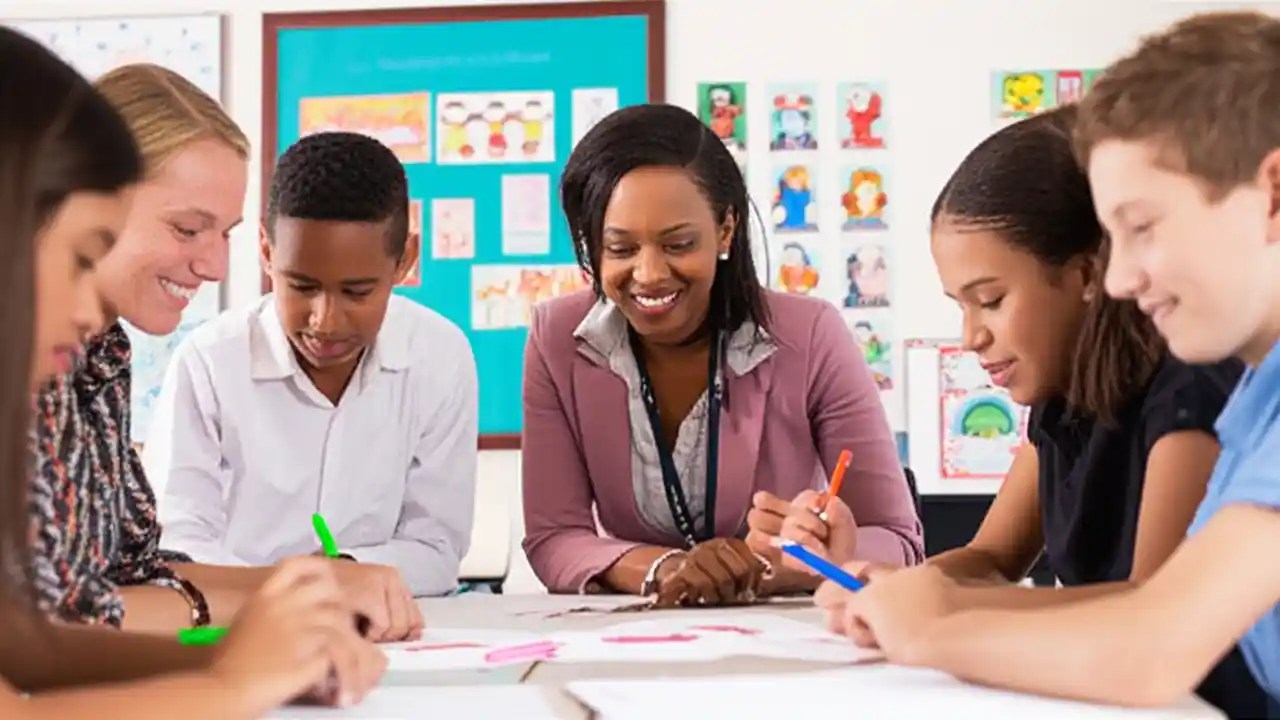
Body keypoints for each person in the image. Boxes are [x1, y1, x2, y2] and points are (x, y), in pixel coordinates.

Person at [817, 11, 1280, 712]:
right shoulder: (1257, 403)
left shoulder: (1214, 393)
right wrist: (926, 604)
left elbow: (1152, 646)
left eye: (1144, 228)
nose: (1119, 283)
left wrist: (935, 628)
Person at [0, 26, 382, 718]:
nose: (212, 266)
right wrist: (228, 683)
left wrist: (245, 652)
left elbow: (27, 644)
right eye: (82, 256)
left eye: (226, 234)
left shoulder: (90, 355)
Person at [521, 103, 922, 606]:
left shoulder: (811, 335)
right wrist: (670, 569)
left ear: (726, 230)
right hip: (632, 641)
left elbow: (897, 537)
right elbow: (554, 538)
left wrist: (788, 561)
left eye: (679, 243)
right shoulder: (557, 339)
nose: (648, 274)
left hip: (787, 645)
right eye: (620, 249)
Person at [145, 131, 477, 599]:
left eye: (357, 292)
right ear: (266, 251)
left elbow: (435, 548)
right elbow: (176, 543)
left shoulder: (441, 358)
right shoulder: (208, 363)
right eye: (301, 286)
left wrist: (345, 572)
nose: (325, 320)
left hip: (385, 629)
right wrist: (290, 589)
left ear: (404, 261)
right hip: (238, 623)